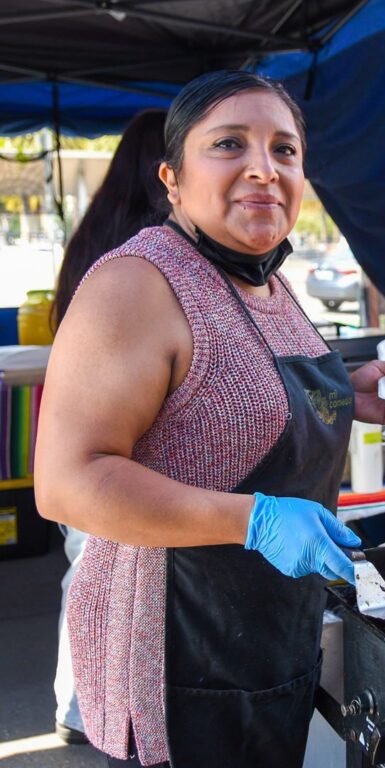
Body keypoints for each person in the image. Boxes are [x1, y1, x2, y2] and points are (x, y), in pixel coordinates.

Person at [34, 71, 385, 768]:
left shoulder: (268, 279)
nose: (263, 170)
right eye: (229, 144)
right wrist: (255, 520)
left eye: (285, 150)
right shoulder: (138, 283)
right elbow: (66, 481)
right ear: (172, 179)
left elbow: (240, 395)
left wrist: (341, 392)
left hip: (272, 631)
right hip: (176, 653)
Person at [51, 108, 168, 746]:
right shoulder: (148, 259)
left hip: (72, 434)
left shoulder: (89, 242)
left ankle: (77, 707)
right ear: (168, 170)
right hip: (127, 454)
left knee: (85, 571)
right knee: (121, 590)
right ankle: (106, 713)